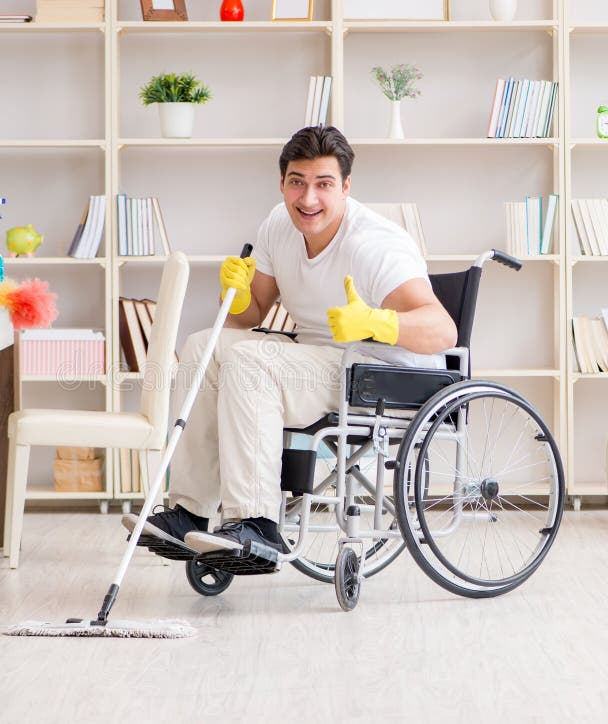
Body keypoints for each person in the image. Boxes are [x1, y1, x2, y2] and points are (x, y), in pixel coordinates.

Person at [122, 125, 457, 559]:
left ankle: (257, 524)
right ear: (282, 183)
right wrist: (236, 294)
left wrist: (376, 322)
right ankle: (189, 512)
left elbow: (442, 331)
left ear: (346, 187)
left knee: (248, 362)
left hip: (379, 371)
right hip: (317, 360)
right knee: (205, 344)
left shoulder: (375, 245)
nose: (308, 199)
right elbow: (251, 314)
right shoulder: (279, 225)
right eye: (297, 182)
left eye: (324, 184)